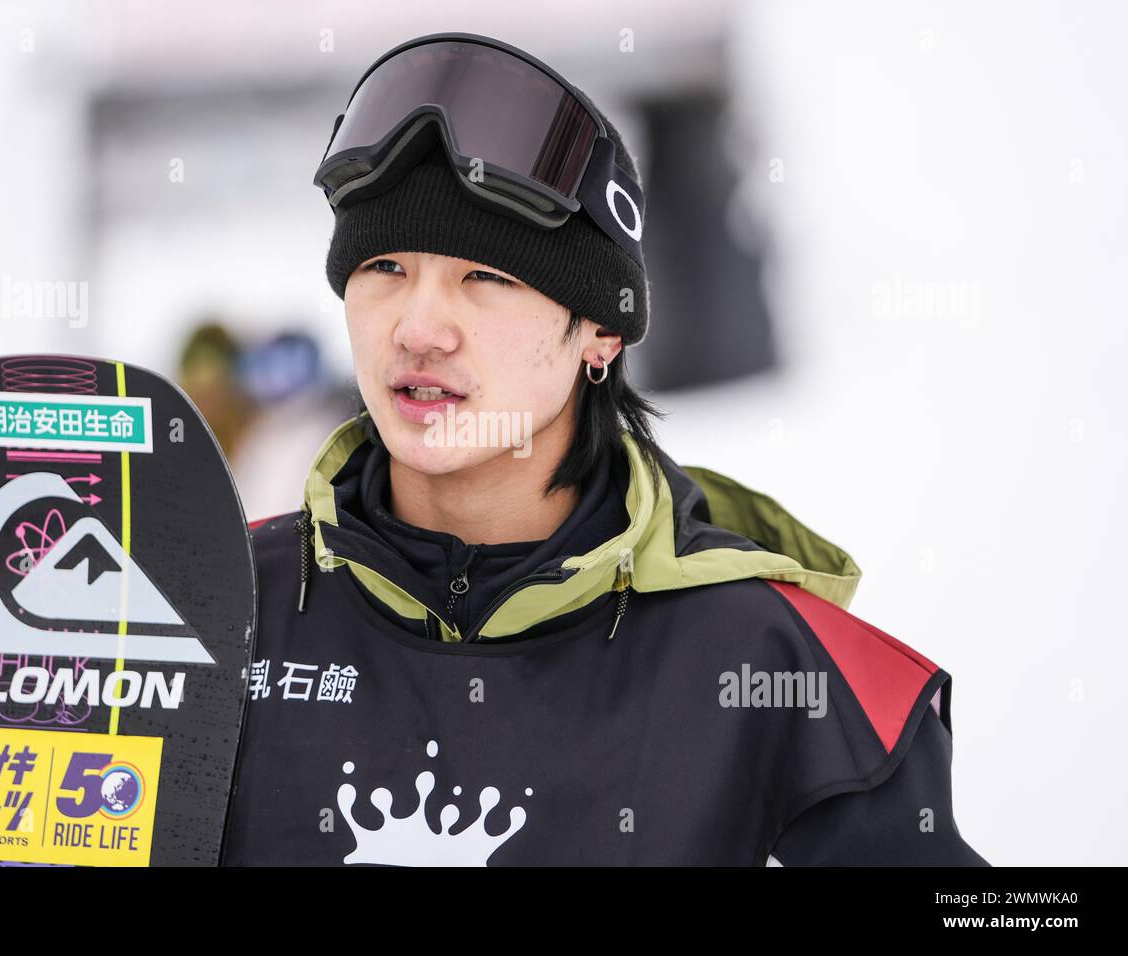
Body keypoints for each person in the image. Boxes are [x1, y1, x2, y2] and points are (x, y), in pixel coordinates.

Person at [222, 32, 987, 866]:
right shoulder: (224, 611)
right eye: (383, 267)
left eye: (486, 277)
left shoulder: (778, 668)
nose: (418, 329)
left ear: (601, 333)